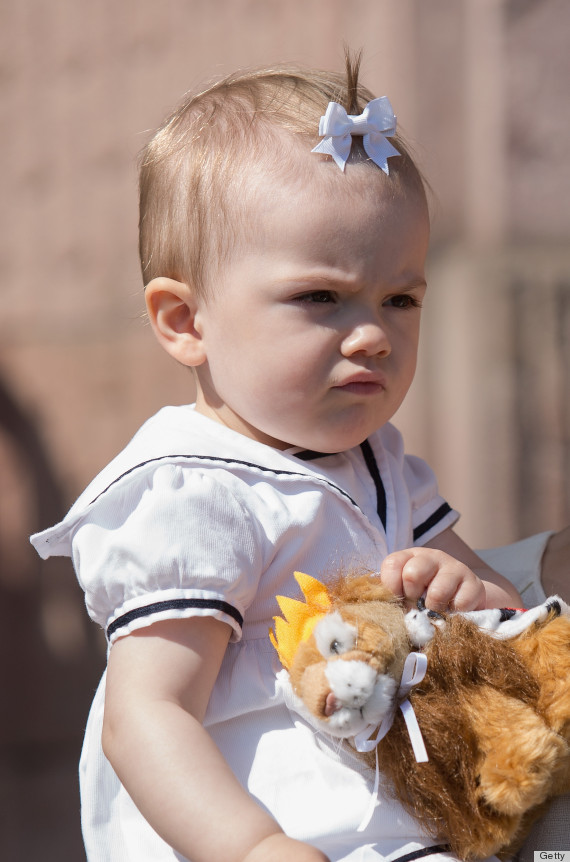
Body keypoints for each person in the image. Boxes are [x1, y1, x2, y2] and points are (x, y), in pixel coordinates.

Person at [31, 54, 522, 862]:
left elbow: (504, 618)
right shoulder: (191, 493)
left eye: (400, 299)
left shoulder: (383, 464)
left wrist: (470, 594)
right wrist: (254, 846)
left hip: (409, 826)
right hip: (271, 835)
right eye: (321, 298)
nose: (373, 333)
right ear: (186, 320)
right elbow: (145, 717)